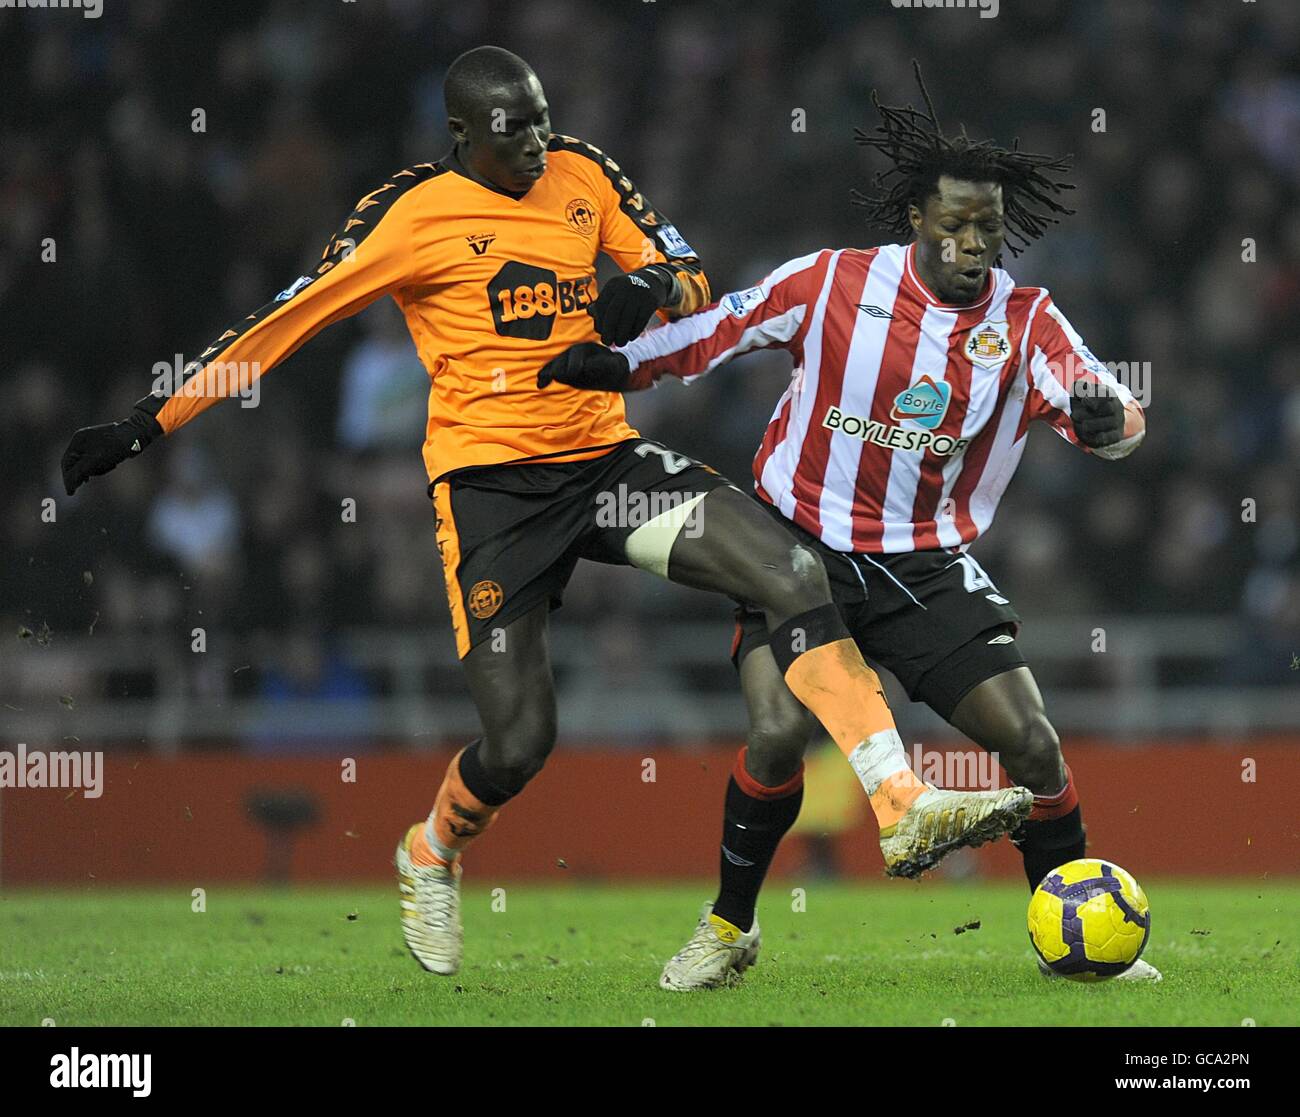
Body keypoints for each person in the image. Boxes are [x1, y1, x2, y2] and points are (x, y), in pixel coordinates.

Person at [61, 49, 1031, 980]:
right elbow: (281, 325)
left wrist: (648, 287)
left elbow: (687, 273)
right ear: (459, 135)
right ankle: (431, 848)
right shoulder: (407, 214)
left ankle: (899, 800)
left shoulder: (582, 170)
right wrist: (148, 424)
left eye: (542, 120)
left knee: (789, 571)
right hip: (490, 493)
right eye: (514, 129)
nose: (538, 142)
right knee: (521, 740)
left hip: (602, 462)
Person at [539, 65, 1160, 988]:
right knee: (777, 735)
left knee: (1030, 741)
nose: (970, 242)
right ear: (916, 218)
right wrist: (619, 364)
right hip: (795, 552)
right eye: (952, 223)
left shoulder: (1025, 321)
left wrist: (1113, 423)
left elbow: (1103, 401)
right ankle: (727, 925)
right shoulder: (830, 282)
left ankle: (1069, 940)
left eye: (986, 226)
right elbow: (721, 329)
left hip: (924, 564)